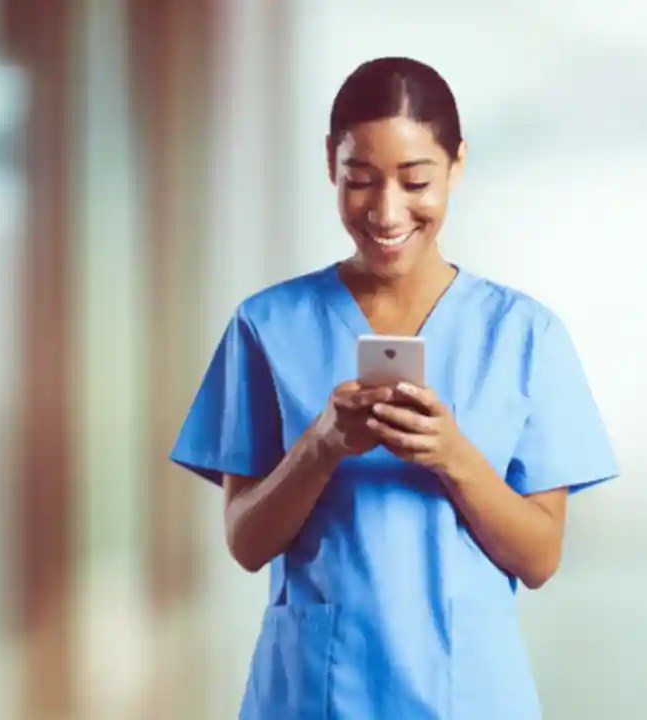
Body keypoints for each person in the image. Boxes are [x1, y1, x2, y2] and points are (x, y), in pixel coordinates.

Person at [171, 56, 618, 719]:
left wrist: (452, 456)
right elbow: (246, 542)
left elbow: (539, 557)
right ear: (330, 163)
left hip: (466, 692)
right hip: (314, 693)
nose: (386, 211)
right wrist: (320, 446)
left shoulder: (523, 335)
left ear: (456, 166)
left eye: (416, 181)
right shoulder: (266, 326)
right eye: (360, 180)